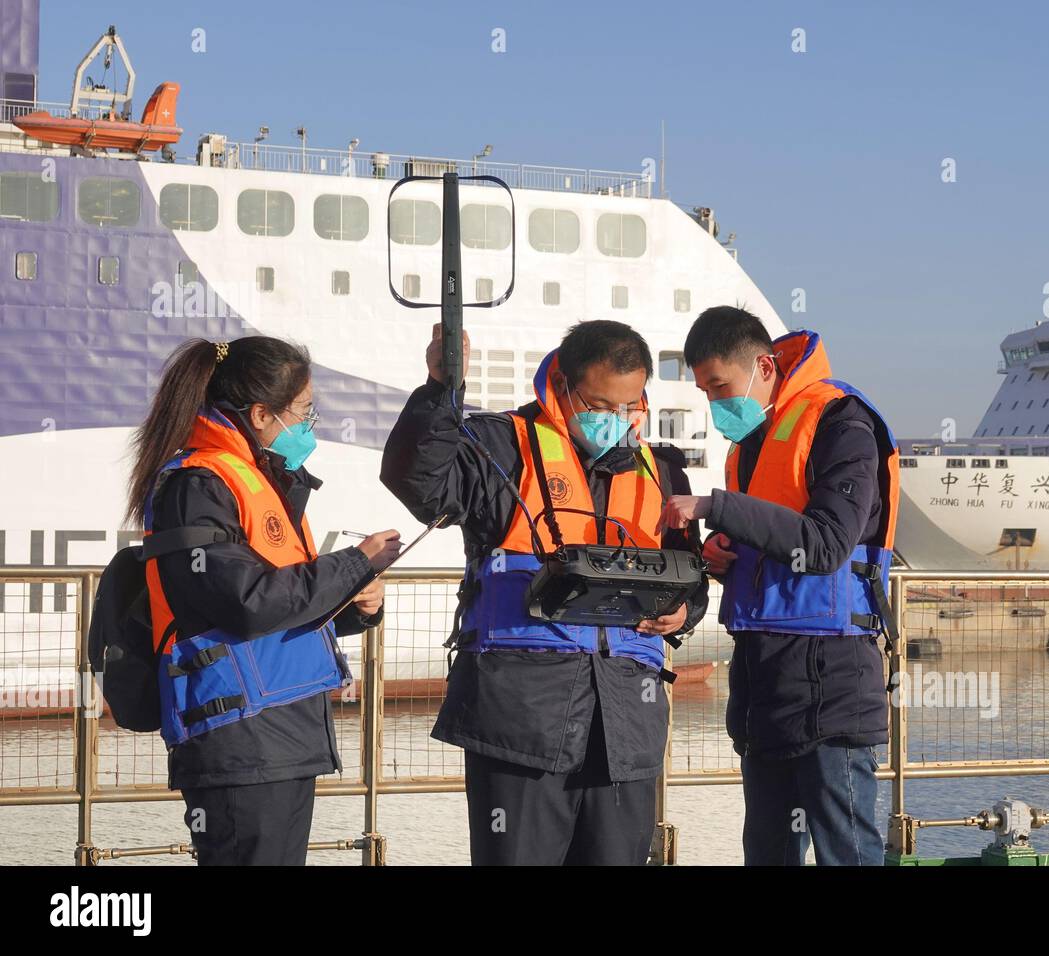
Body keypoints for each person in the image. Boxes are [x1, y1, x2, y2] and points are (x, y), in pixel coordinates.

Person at [380, 319, 710, 865]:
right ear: (562, 387)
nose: (619, 420)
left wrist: (684, 610)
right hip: (520, 723)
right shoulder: (498, 445)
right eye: (602, 405)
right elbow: (415, 480)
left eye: (632, 406)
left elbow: (690, 574)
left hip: (626, 726)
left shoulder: (662, 469)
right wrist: (441, 390)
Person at [126, 336, 402, 865]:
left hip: (279, 730)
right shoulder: (197, 485)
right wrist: (353, 564)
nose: (308, 424)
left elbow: (281, 606)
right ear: (260, 414)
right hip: (239, 737)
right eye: (303, 411)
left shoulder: (262, 481)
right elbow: (244, 603)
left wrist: (356, 603)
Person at [660, 306, 899, 866]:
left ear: (764, 366)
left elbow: (825, 545)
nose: (716, 404)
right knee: (767, 849)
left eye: (720, 387)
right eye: (705, 391)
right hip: (763, 676)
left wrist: (717, 507)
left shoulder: (843, 423)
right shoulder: (751, 446)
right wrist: (727, 551)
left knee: (847, 849)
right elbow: (773, 539)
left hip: (832, 675)